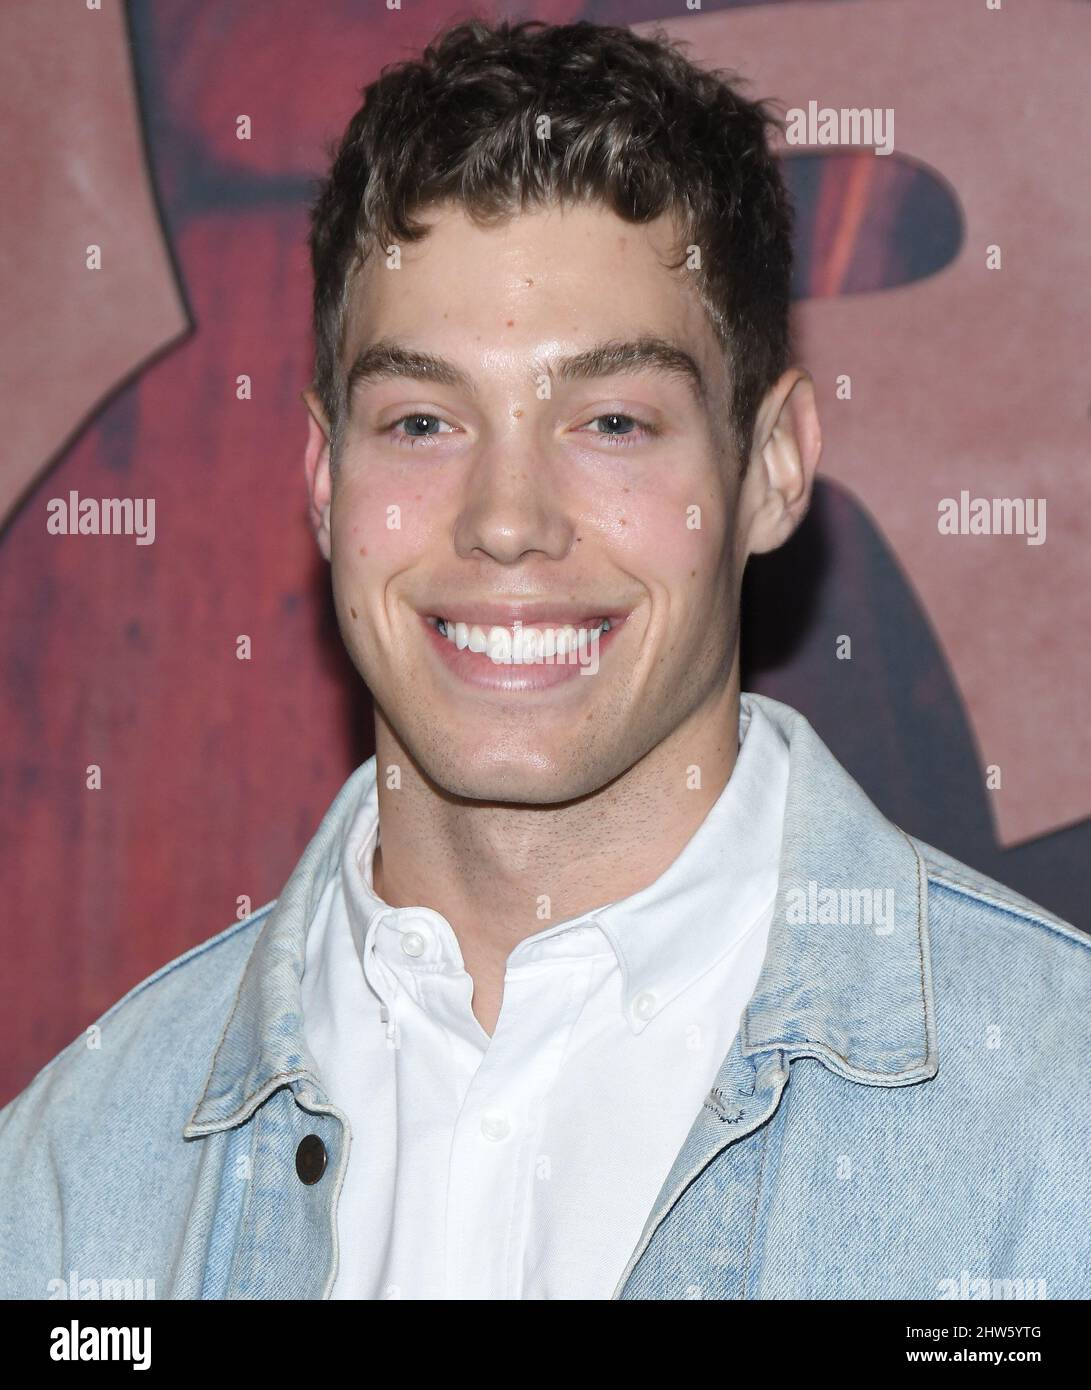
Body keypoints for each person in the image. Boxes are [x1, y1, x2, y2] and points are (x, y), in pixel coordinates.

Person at [2, 17, 1087, 1302]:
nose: (506, 518)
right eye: (420, 419)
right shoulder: (72, 1175)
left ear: (773, 466)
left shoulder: (1053, 1125)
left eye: (612, 420)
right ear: (322, 480)